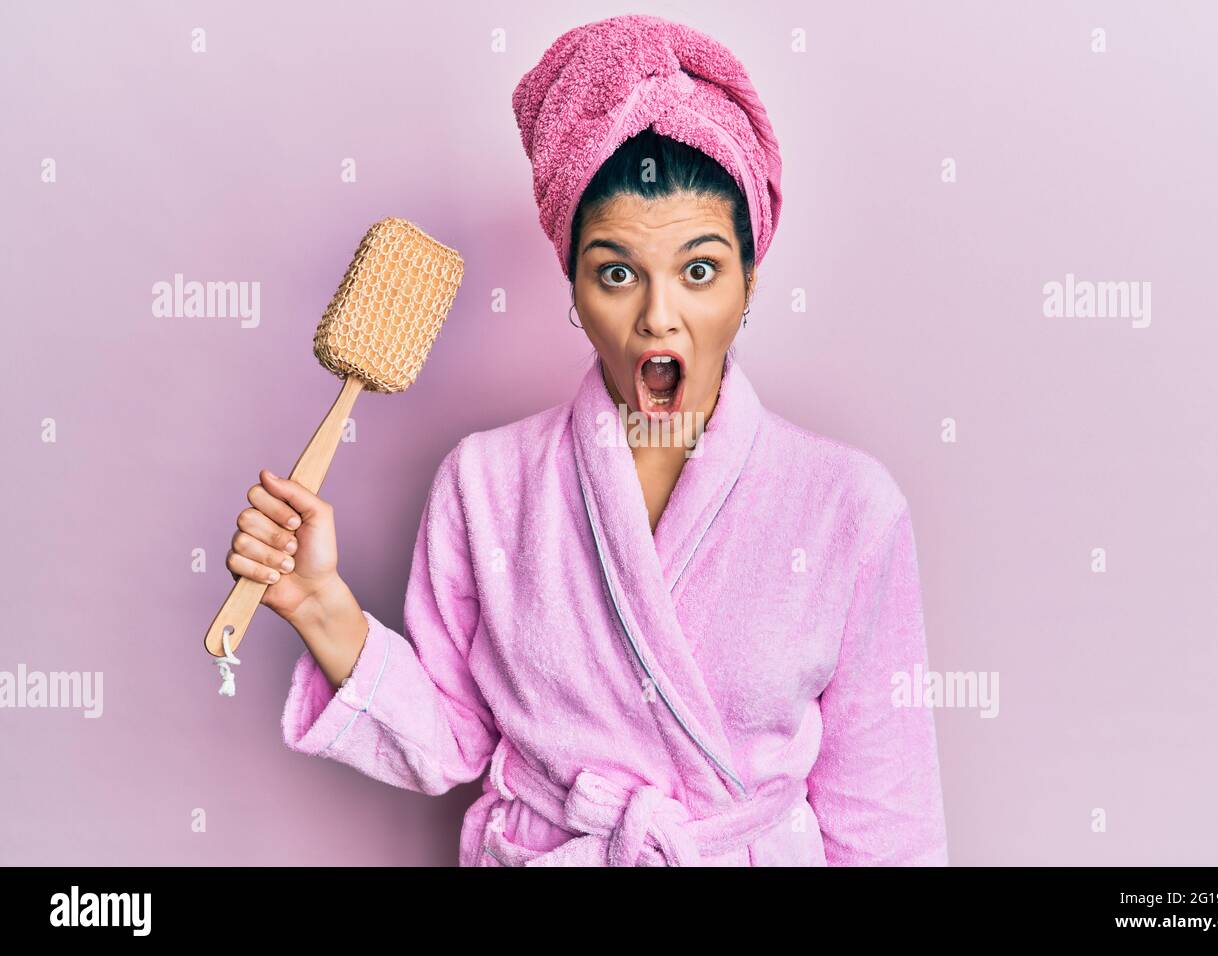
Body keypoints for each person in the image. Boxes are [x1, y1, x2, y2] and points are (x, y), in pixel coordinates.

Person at [226, 14, 949, 866]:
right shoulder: (484, 483)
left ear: (750, 281)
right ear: (571, 282)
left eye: (701, 270)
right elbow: (451, 739)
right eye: (616, 273)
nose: (658, 317)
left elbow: (887, 820)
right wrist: (319, 604)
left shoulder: (848, 506)